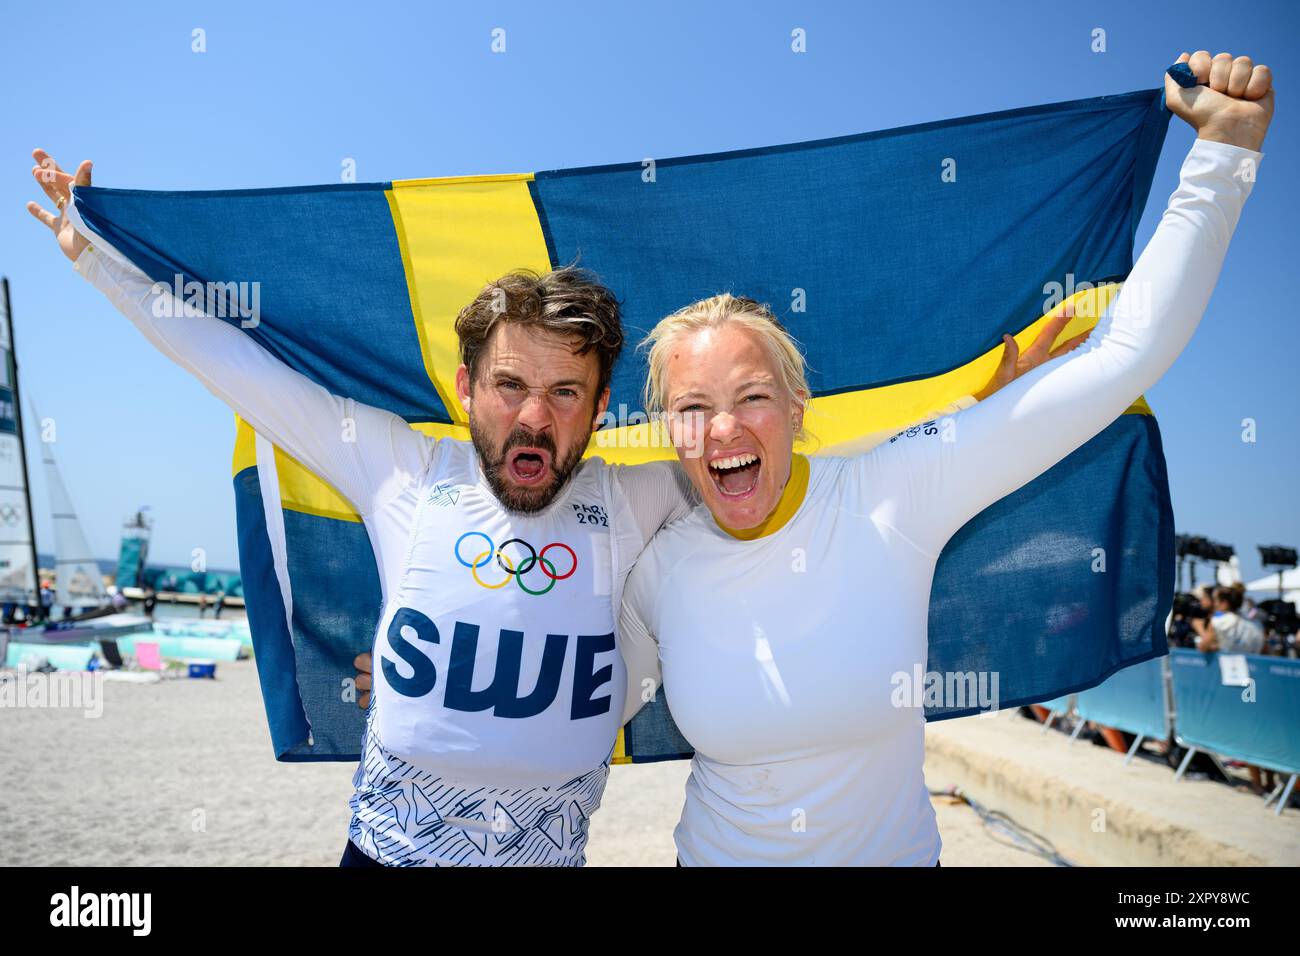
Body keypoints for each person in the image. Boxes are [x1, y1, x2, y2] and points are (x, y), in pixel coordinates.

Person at [27, 148, 1058, 868]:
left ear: (601, 409)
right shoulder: (397, 466)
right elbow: (237, 364)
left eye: (565, 394)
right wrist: (97, 253)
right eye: (510, 386)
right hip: (381, 853)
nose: (534, 418)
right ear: (465, 387)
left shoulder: (643, 489)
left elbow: (813, 443)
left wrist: (984, 384)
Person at [616, 51, 1272, 865]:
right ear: (664, 430)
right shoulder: (654, 572)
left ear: (797, 408)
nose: (723, 432)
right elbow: (568, 716)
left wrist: (1223, 155)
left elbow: (1121, 358)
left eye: (751, 397)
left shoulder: (892, 493)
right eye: (692, 409)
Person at [1192, 584, 1265, 654]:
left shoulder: (1219, 621)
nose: (1214, 605)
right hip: (1252, 664)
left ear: (1224, 603)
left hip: (1228, 665)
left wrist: (1199, 627)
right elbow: (1264, 650)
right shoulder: (1257, 624)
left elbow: (1203, 647)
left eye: (1216, 601)